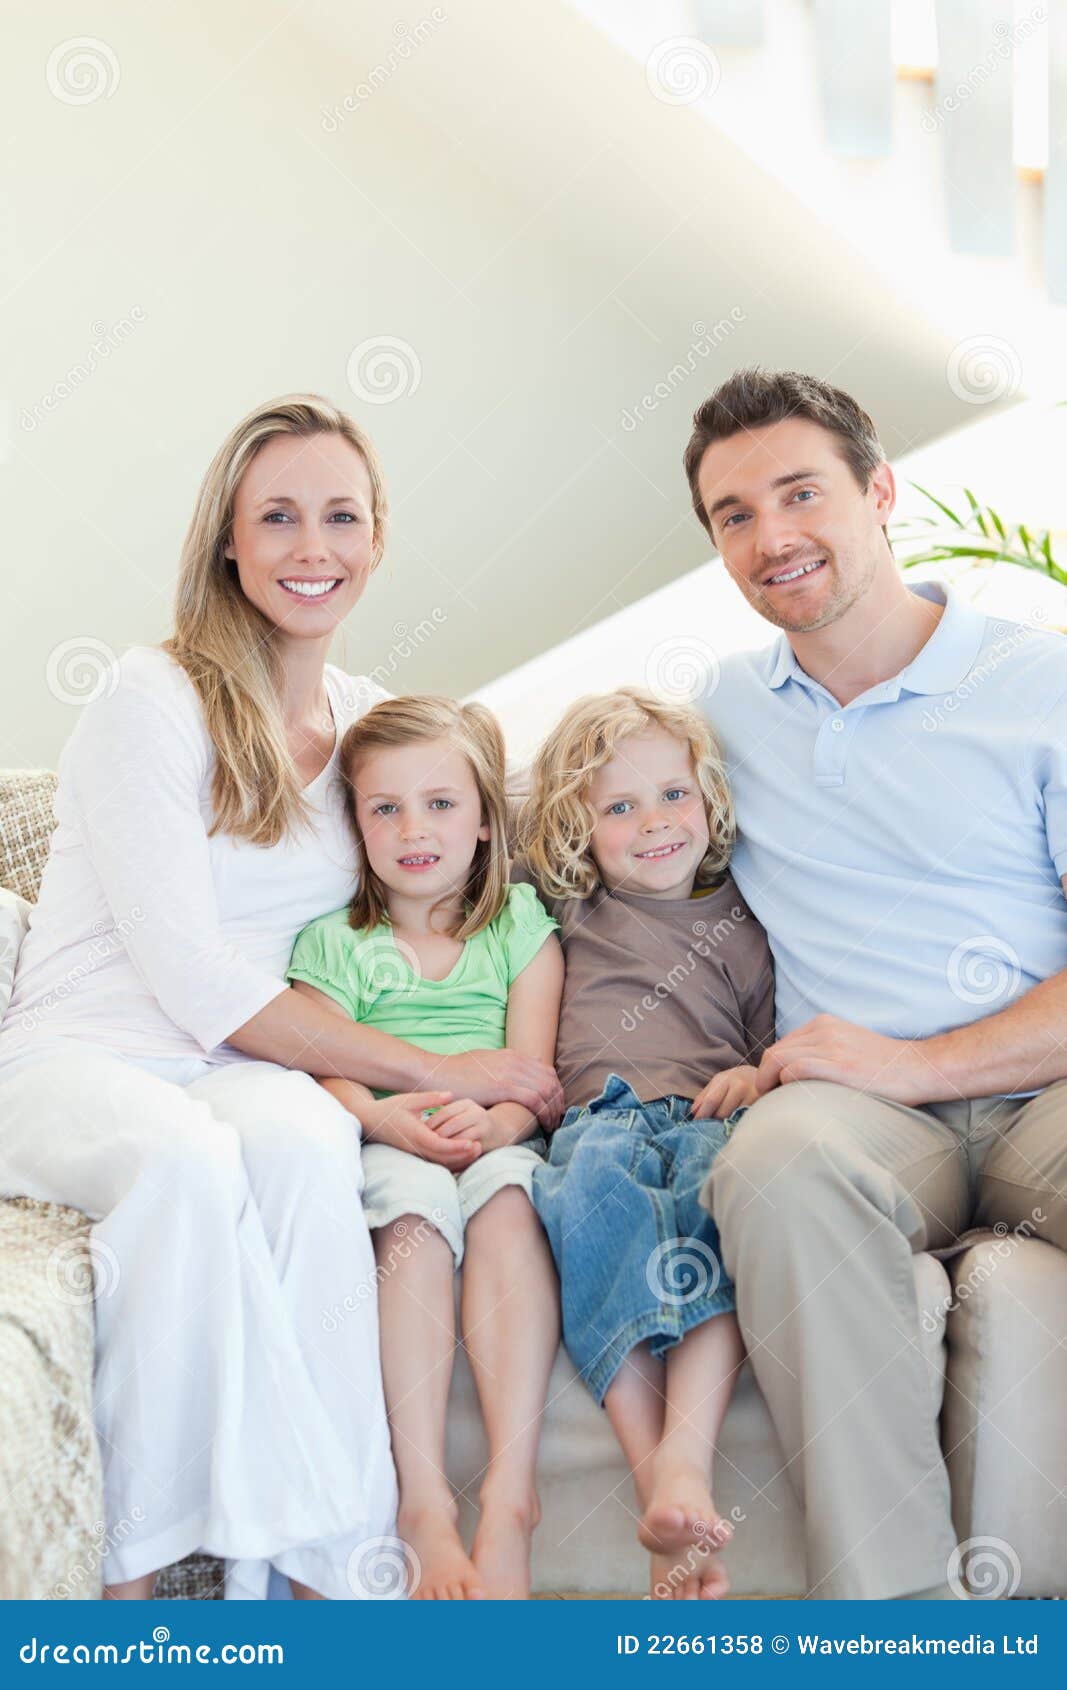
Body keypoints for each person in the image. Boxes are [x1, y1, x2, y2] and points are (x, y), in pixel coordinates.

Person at [0, 394, 560, 1602]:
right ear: (230, 544)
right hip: (81, 1059)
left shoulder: (370, 725)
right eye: (280, 517)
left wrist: (409, 1092)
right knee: (190, 1168)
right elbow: (198, 976)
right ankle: (145, 1572)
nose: (314, 547)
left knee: (310, 1153)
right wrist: (444, 1074)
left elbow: (437, 902)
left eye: (340, 517)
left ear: (376, 539)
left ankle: (344, 1580)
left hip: (252, 1072)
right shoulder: (153, 695)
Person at [682, 366, 1067, 1600]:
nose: (770, 536)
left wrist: (917, 1061)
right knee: (770, 1162)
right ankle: (897, 1627)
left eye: (799, 492)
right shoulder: (720, 714)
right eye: (732, 514)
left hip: (1040, 1087)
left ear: (880, 490)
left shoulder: (1038, 682)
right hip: (859, 1120)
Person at [286, 694, 564, 1600]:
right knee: (410, 1224)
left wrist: (499, 1128)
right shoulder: (334, 943)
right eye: (384, 808)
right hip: (392, 1137)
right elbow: (324, 1063)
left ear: (485, 820)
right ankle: (423, 1504)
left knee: (511, 1206)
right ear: (353, 823)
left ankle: (511, 1500)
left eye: (441, 804)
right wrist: (380, 1118)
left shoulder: (518, 924)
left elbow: (531, 1074)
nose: (414, 829)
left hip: (498, 1140)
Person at [517, 687, 776, 1600]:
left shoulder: (743, 920)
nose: (654, 823)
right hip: (597, 1121)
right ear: (575, 829)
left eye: (673, 795)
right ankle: (654, 1480)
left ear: (708, 799)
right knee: (592, 1208)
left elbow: (767, 1042)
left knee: (723, 1211)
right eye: (618, 807)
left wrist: (759, 1075)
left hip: (712, 1113)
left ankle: (684, 1463)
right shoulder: (557, 909)